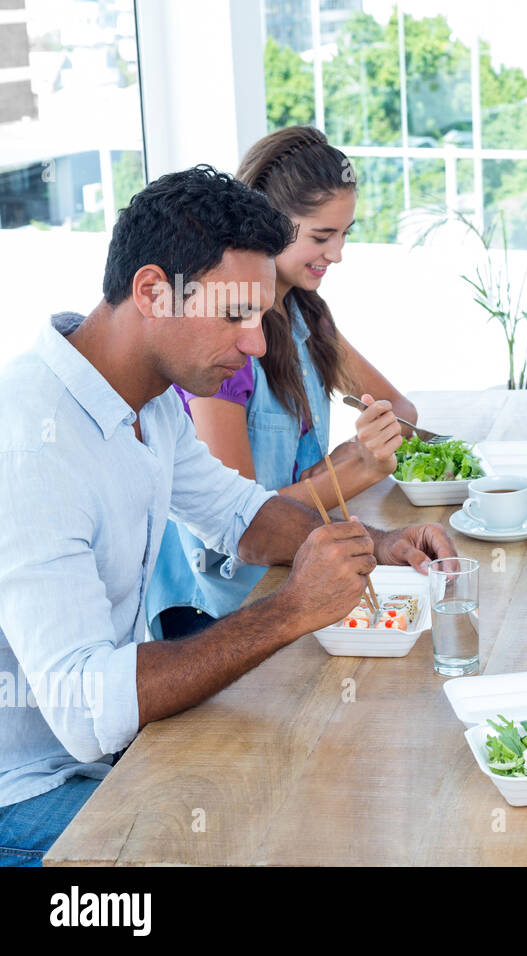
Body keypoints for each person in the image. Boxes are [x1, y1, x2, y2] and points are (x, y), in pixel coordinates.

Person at [0, 166, 455, 865]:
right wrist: (290, 611)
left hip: (99, 754)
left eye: (261, 317)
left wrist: (378, 544)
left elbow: (239, 514)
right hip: (26, 790)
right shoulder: (30, 445)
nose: (257, 345)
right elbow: (88, 708)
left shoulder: (148, 398)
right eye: (236, 315)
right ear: (152, 291)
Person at [146, 126, 418, 641]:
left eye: (345, 234)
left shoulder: (307, 316)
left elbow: (399, 410)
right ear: (269, 225)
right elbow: (238, 522)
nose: (337, 253)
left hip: (290, 572)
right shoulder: (224, 348)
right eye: (321, 236)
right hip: (217, 611)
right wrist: (351, 470)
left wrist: (341, 462)